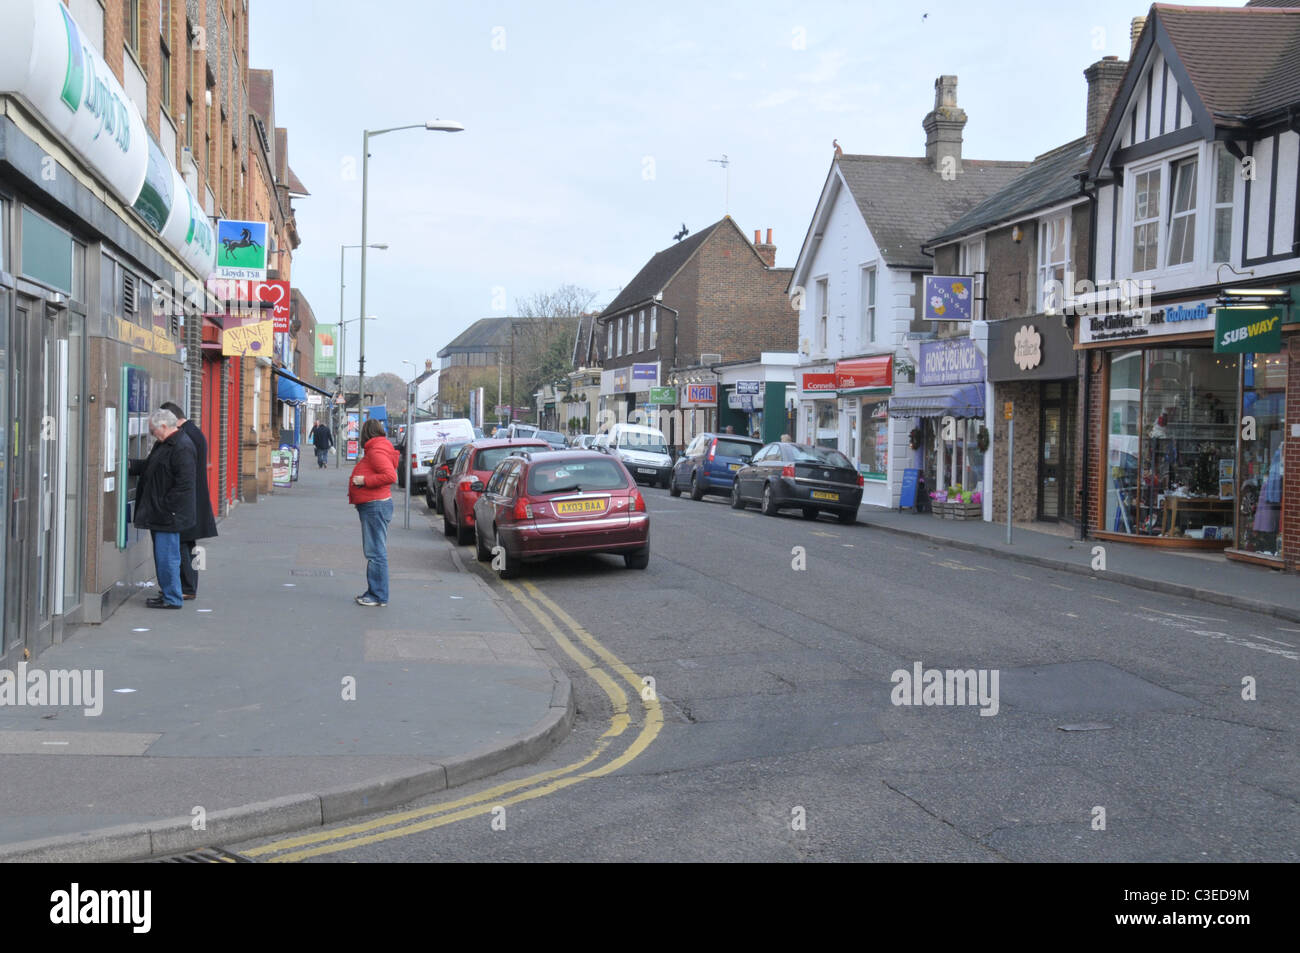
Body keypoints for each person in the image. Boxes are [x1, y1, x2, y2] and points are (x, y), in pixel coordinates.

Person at [128, 409, 196, 609]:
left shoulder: (181, 447)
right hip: (163, 511)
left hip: (167, 514)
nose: (152, 434)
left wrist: (167, 508)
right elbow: (150, 467)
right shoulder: (166, 444)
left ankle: (172, 598)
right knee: (164, 557)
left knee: (167, 557)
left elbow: (184, 484)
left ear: (164, 426)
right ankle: (168, 593)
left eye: (152, 430)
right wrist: (128, 464)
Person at [160, 402, 218, 601]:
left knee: (184, 545)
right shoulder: (194, 431)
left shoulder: (186, 436)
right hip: (195, 499)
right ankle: (188, 585)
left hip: (188, 501)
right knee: (188, 545)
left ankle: (187, 587)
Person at [349, 418, 399, 607]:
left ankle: (378, 595)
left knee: (375, 551)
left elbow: (390, 476)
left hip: (375, 505)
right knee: (375, 550)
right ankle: (374, 592)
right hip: (375, 504)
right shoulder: (378, 447)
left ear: (366, 433)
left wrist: (364, 481)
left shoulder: (376, 451)